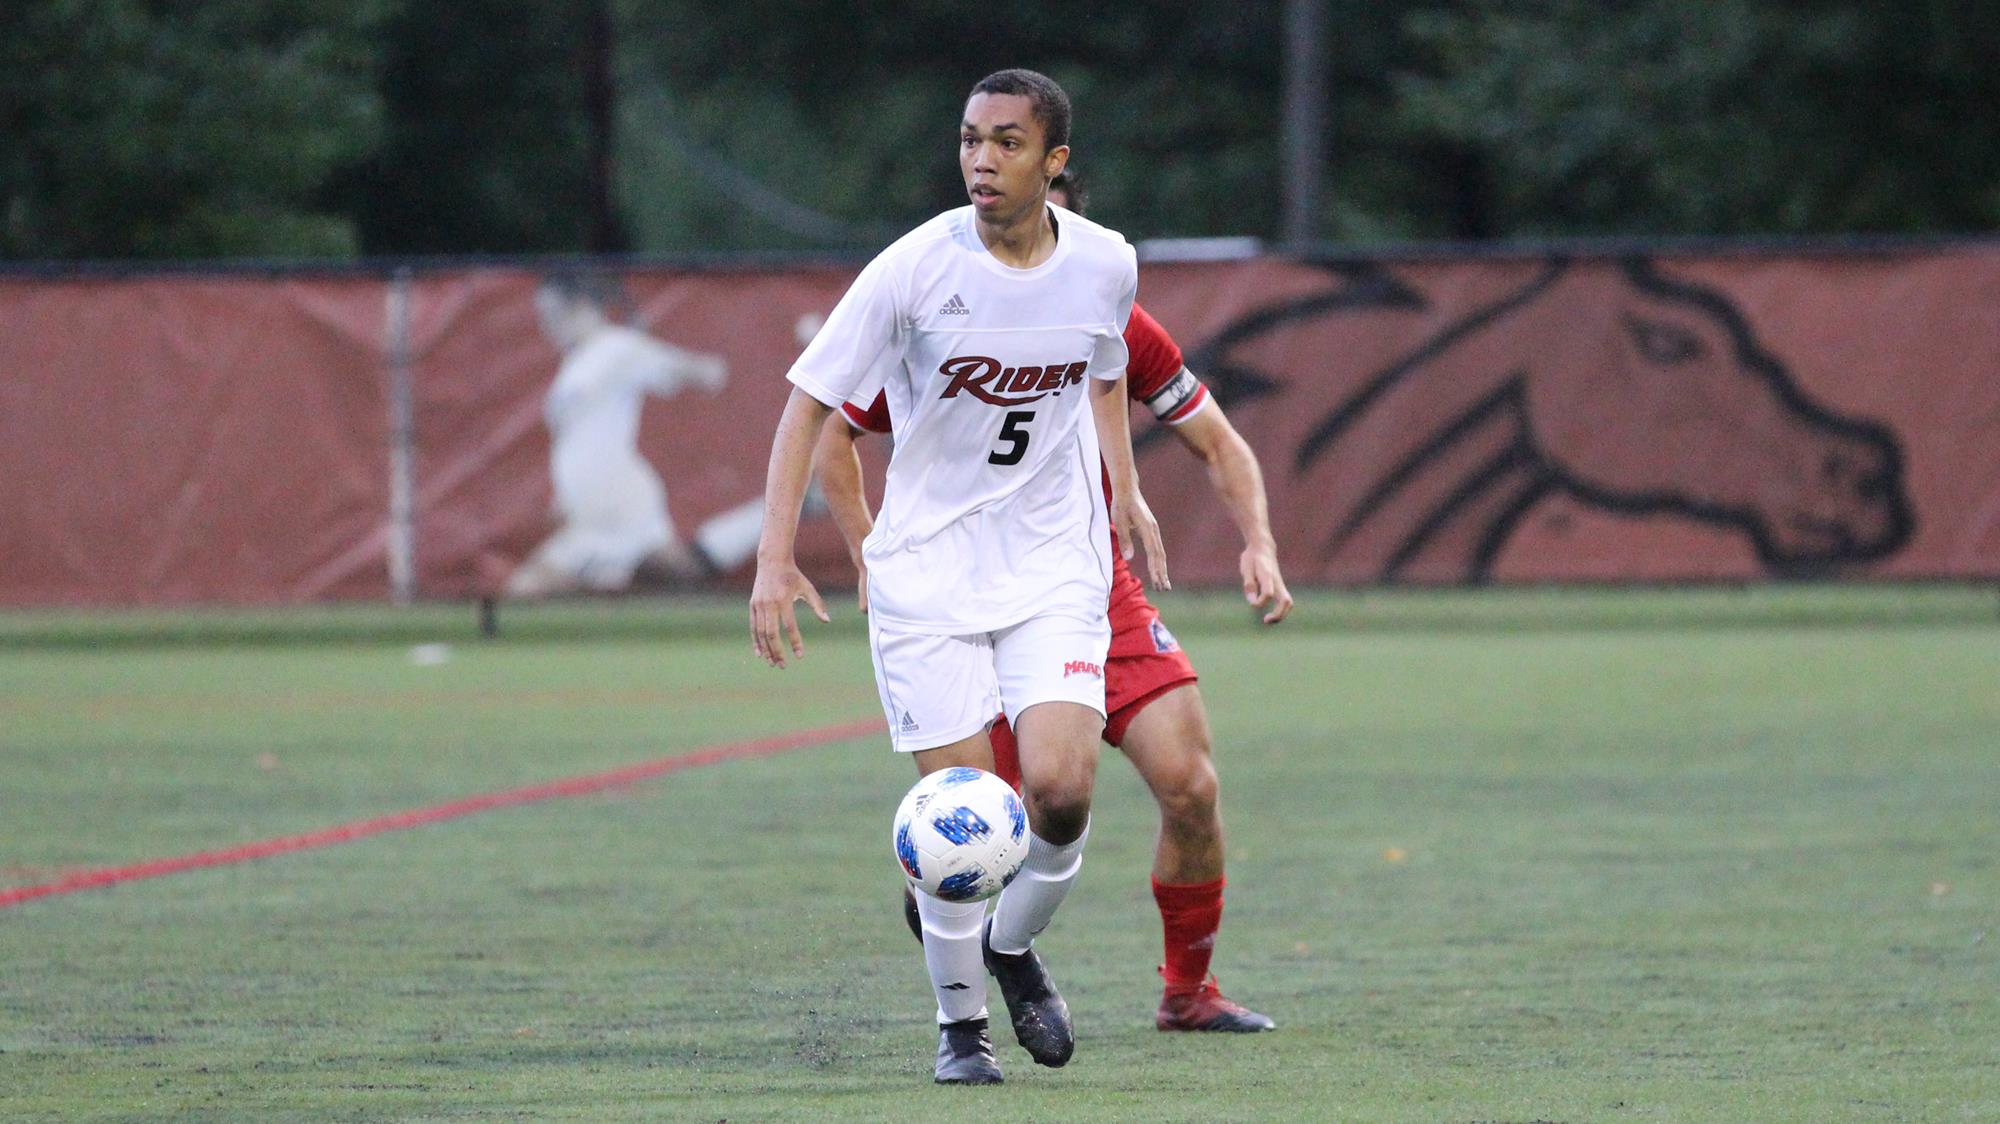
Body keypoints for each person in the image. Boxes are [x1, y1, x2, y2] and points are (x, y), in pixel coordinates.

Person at [749, 69, 1167, 1085]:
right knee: (960, 814)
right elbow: (809, 406)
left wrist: (1125, 487)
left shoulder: (1105, 262)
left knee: (1061, 793)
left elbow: (1106, 370)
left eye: (1007, 142)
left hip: (1051, 563)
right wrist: (773, 558)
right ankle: (961, 1028)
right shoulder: (911, 268)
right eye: (971, 140)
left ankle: (1010, 947)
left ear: (1053, 160)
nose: (982, 159)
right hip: (927, 575)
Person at [815, 168, 1292, 1037]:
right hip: (976, 597)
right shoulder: (946, 316)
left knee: (1190, 785)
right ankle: (971, 965)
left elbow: (1220, 442)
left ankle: (1188, 991)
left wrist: (1258, 539)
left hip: (1089, 586)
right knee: (992, 819)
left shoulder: (1111, 312)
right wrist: (867, 549)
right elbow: (831, 432)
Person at [506, 270, 763, 598]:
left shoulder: (616, 348)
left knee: (528, 588)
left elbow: (698, 371)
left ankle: (787, 510)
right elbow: (577, 438)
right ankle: (788, 509)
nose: (547, 326)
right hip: (598, 504)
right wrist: (565, 495)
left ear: (583, 306)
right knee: (677, 569)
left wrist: (692, 367)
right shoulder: (580, 361)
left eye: (554, 315)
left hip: (616, 501)